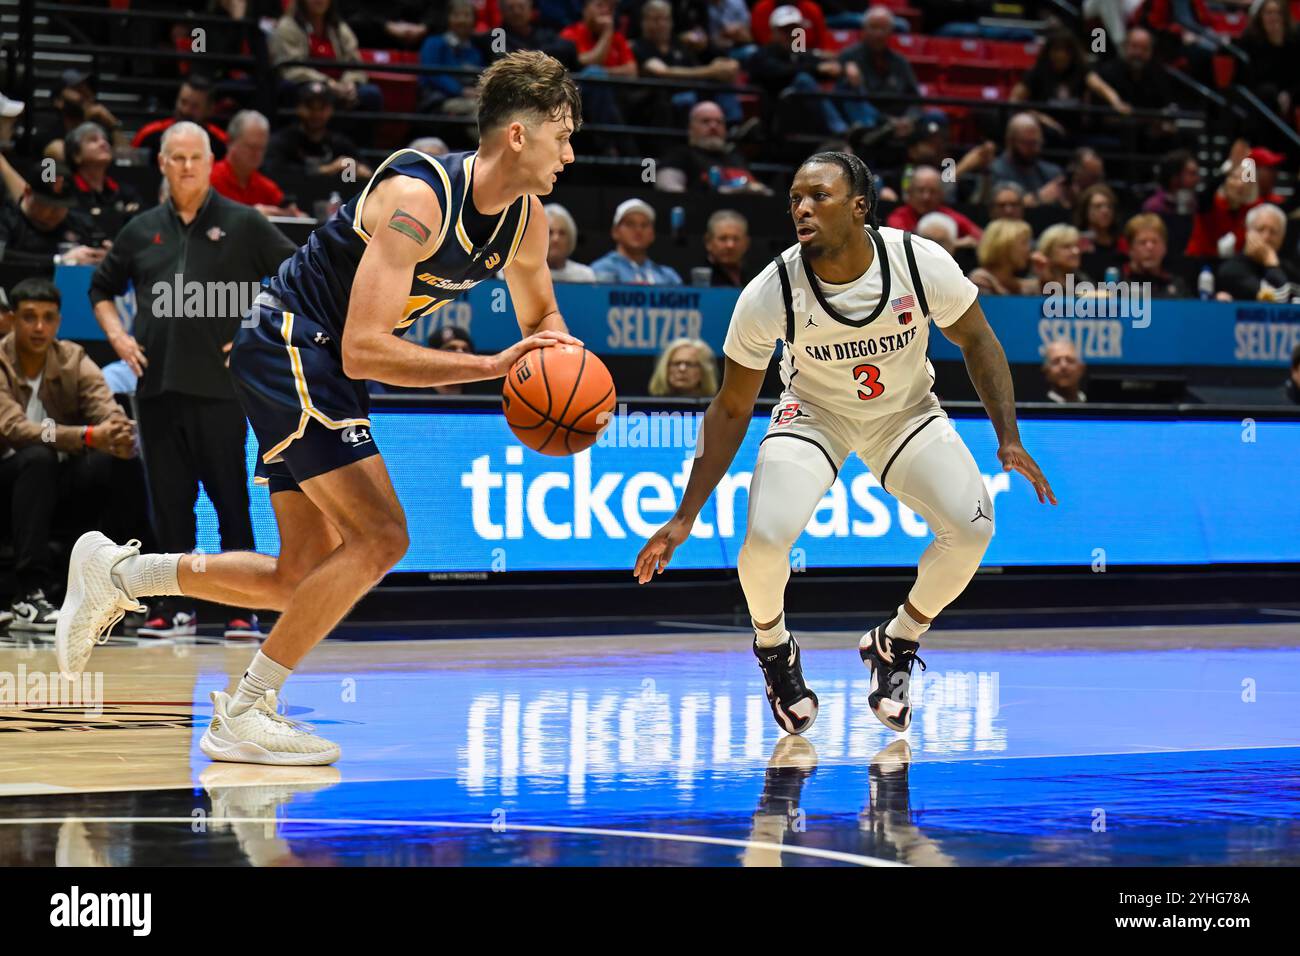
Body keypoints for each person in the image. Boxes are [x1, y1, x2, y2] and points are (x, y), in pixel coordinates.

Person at [58, 51, 586, 766]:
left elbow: (543, 319)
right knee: (382, 538)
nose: (572, 152)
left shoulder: (527, 223)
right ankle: (247, 709)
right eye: (563, 134)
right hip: (292, 342)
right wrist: (491, 369)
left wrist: (569, 376)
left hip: (317, 361)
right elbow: (367, 348)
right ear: (519, 135)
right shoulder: (418, 197)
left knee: (295, 576)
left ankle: (118, 577)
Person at [634, 151, 1056, 737]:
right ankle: (775, 650)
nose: (801, 209)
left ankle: (896, 642)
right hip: (814, 415)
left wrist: (1008, 438)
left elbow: (979, 341)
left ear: (860, 207)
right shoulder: (771, 290)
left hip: (905, 413)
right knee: (762, 542)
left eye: (818, 197)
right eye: (795, 200)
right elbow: (730, 405)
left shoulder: (917, 259)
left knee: (974, 529)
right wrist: (685, 515)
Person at [88, 121, 299, 641]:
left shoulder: (244, 222)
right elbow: (100, 287)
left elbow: (296, 273)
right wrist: (117, 336)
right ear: (161, 163)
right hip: (155, 390)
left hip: (221, 393)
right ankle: (169, 608)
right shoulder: (140, 229)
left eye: (195, 158)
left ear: (211, 164)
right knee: (169, 506)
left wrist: (256, 328)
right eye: (176, 157)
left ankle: (240, 610)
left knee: (231, 501)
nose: (185, 166)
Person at [0, 278, 137, 632]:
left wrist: (118, 432)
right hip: (7, 479)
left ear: (59, 322)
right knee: (37, 458)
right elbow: (16, 429)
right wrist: (89, 435)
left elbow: (104, 405)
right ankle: (30, 593)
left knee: (117, 462)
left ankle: (118, 584)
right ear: (12, 320)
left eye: (48, 318)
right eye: (29, 317)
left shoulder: (72, 357)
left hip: (54, 481)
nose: (39, 327)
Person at [270, 0, 383, 115]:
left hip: (341, 85)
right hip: (308, 83)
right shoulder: (287, 27)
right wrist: (328, 83)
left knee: (371, 94)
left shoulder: (339, 28)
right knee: (297, 90)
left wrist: (349, 84)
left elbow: (355, 64)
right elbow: (291, 69)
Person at [0, 162, 105, 281]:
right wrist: (60, 260)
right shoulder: (7, 221)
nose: (55, 212)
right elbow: (4, 255)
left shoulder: (79, 222)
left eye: (62, 206)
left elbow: (101, 246)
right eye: (48, 205)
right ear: (28, 192)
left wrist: (104, 254)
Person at [266, 82, 373, 181]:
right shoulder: (282, 141)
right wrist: (327, 170)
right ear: (298, 108)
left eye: (322, 108)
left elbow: (368, 173)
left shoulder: (340, 143)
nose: (316, 114)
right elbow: (273, 171)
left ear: (331, 110)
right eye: (310, 107)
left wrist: (358, 171)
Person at [656, 101, 769, 194]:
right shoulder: (679, 155)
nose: (713, 126)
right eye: (706, 121)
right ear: (691, 128)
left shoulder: (737, 158)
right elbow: (669, 188)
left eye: (719, 122)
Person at [211, 111, 301, 218]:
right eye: (251, 147)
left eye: (261, 148)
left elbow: (300, 217)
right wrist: (253, 214)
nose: (256, 154)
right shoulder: (209, 179)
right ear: (230, 143)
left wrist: (287, 214)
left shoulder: (265, 187)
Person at [64, 122, 141, 245]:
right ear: (76, 155)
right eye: (93, 140)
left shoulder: (125, 192)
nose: (103, 143)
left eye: (105, 139)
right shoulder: (65, 191)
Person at [131, 75, 229, 163]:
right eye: (183, 102)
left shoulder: (222, 144)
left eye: (195, 106)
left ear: (209, 110)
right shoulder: (149, 135)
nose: (186, 111)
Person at [1216, 204, 1300, 302]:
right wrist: (1271, 264)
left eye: (1273, 232)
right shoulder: (1231, 269)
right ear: (1247, 233)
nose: (1266, 237)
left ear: (1282, 238)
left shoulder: (1290, 270)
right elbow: (1273, 298)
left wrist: (1272, 265)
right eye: (1260, 229)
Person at [885, 165, 982, 247]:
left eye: (932, 191)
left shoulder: (948, 215)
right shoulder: (899, 216)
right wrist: (953, 243)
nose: (926, 197)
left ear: (941, 195)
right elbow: (902, 243)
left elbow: (982, 238)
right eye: (920, 190)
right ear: (910, 192)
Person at [590, 199, 683, 284]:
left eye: (644, 225)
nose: (638, 230)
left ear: (652, 235)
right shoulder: (601, 269)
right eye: (630, 224)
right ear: (615, 232)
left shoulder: (668, 276)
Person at [418, 0, 484, 114]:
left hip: (472, 99)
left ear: (474, 20)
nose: (462, 20)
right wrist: (460, 90)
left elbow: (480, 76)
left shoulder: (476, 50)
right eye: (456, 15)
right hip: (441, 101)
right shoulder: (433, 43)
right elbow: (433, 74)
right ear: (448, 19)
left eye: (467, 15)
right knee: (480, 112)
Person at [988, 114, 1064, 208]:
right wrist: (1038, 198)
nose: (1033, 149)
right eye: (1027, 143)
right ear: (1010, 142)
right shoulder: (995, 170)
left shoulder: (1052, 172)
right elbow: (1001, 206)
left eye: (1036, 143)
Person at [1122, 213, 1189, 298]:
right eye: (1142, 242)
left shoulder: (1177, 286)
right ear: (1130, 249)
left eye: (1155, 242)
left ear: (1164, 248)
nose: (1150, 248)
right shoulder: (1117, 284)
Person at [969, 218, 1039, 296]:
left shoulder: (1017, 285)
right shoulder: (980, 280)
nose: (1028, 249)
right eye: (1024, 243)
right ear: (1004, 245)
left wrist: (1043, 275)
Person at [1075, 183, 1126, 277]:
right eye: (1098, 206)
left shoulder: (1121, 242)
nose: (1105, 211)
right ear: (1085, 211)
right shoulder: (1076, 243)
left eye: (1109, 206)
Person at [648, 337, 719, 397]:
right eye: (676, 363)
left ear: (703, 371)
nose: (682, 369)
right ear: (665, 368)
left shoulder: (716, 410)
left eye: (689, 364)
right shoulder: (648, 409)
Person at [544, 203, 597, 282]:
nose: (556, 239)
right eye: (550, 232)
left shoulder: (585, 276)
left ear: (570, 239)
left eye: (562, 233)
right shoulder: (524, 274)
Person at [701, 209, 751, 287]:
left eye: (736, 239)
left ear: (746, 243)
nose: (730, 245)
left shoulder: (756, 278)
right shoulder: (698, 281)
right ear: (708, 242)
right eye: (723, 238)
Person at [1142, 148, 1199, 215]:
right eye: (1192, 173)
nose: (1197, 178)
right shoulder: (1153, 207)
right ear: (1175, 176)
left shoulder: (1193, 203)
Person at [1034, 223, 1089, 289]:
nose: (1076, 251)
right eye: (1066, 246)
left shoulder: (1083, 281)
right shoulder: (1033, 285)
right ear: (1048, 251)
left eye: (1077, 245)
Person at [429, 326, 476, 395]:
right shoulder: (415, 391)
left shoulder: (480, 391)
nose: (460, 353)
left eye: (465, 349)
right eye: (451, 348)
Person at [1042, 338, 1086, 403]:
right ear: (1046, 370)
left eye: (1070, 360)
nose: (1063, 366)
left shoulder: (1096, 404)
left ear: (1081, 368)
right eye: (1056, 361)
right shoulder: (1032, 409)